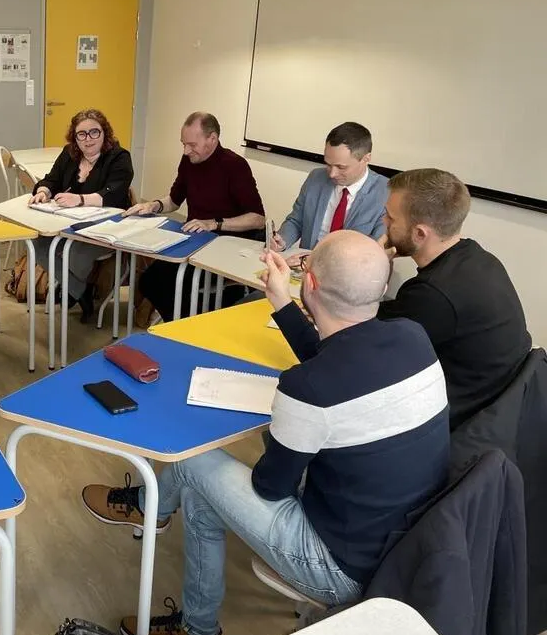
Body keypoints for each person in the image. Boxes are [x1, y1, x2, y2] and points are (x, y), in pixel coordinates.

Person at [81, 231, 450, 635]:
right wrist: (281, 304)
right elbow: (336, 357)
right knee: (204, 494)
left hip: (343, 569)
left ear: (308, 284)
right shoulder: (413, 338)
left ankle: (152, 512)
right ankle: (196, 628)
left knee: (193, 463)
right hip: (409, 548)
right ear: (383, 289)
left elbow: (271, 487)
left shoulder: (308, 388)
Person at [377, 168, 530, 428]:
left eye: (391, 218)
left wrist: (372, 266)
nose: (384, 222)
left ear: (420, 234)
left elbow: (361, 339)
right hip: (499, 408)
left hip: (455, 426)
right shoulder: (481, 258)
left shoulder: (432, 294)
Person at [127, 112, 265, 321]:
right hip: (195, 241)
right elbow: (174, 200)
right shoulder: (188, 160)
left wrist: (214, 223)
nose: (186, 150)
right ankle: (180, 325)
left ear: (212, 139)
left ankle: (186, 326)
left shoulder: (235, 166)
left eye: (192, 144)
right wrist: (152, 205)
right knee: (149, 280)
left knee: (175, 283)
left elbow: (257, 218)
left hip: (226, 245)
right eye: (183, 144)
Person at [29, 108, 134, 321]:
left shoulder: (119, 157)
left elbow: (114, 193)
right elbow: (52, 179)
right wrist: (43, 191)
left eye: (94, 132)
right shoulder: (70, 154)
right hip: (68, 223)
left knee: (75, 255)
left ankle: (71, 289)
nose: (88, 139)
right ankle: (81, 291)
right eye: (81, 134)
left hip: (106, 226)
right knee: (37, 244)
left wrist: (80, 199)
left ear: (104, 133)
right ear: (74, 137)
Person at [271, 122, 388, 252]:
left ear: (366, 159)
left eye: (341, 167)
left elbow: (378, 248)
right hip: (307, 262)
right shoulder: (316, 178)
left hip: (352, 268)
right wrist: (282, 240)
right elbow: (296, 220)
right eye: (328, 164)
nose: (332, 174)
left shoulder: (385, 192)